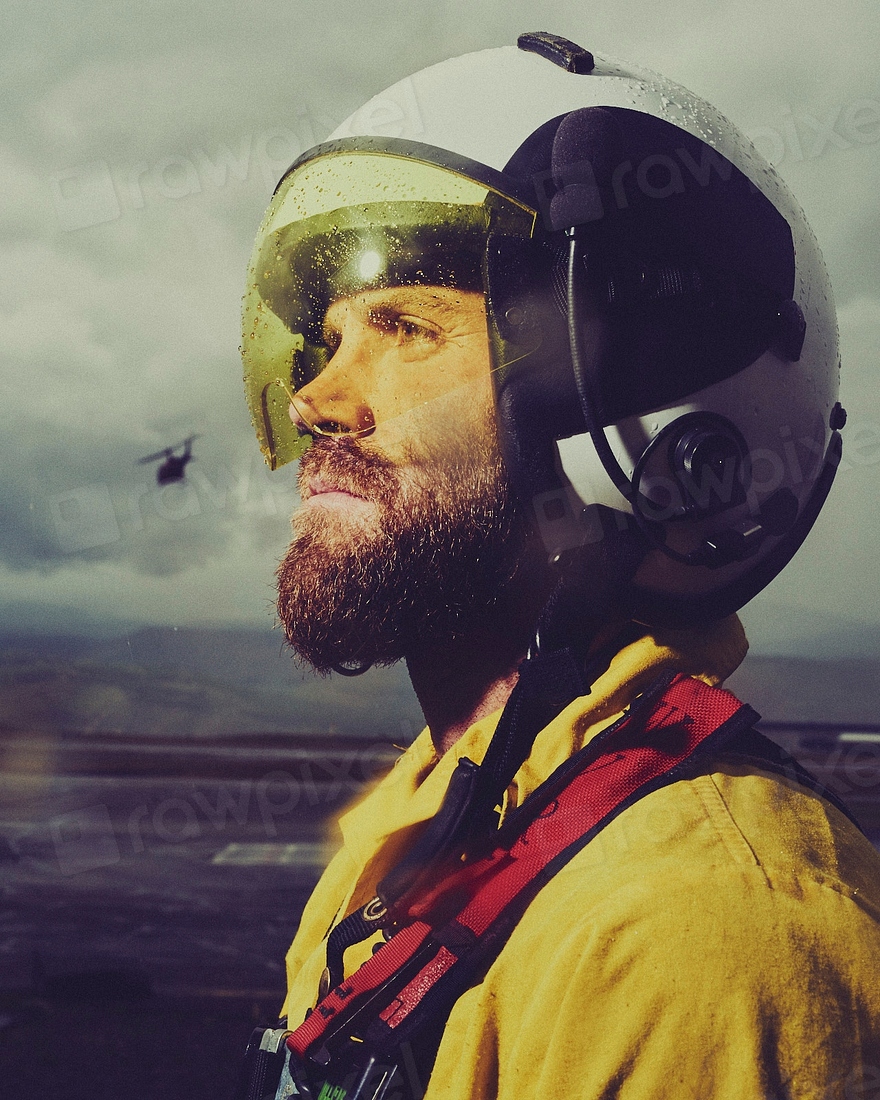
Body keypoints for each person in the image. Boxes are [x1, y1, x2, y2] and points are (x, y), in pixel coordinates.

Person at [240, 32, 880, 1100]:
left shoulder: (706, 934)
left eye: (402, 327)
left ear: (650, 422)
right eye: (325, 340)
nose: (316, 399)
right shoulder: (415, 827)